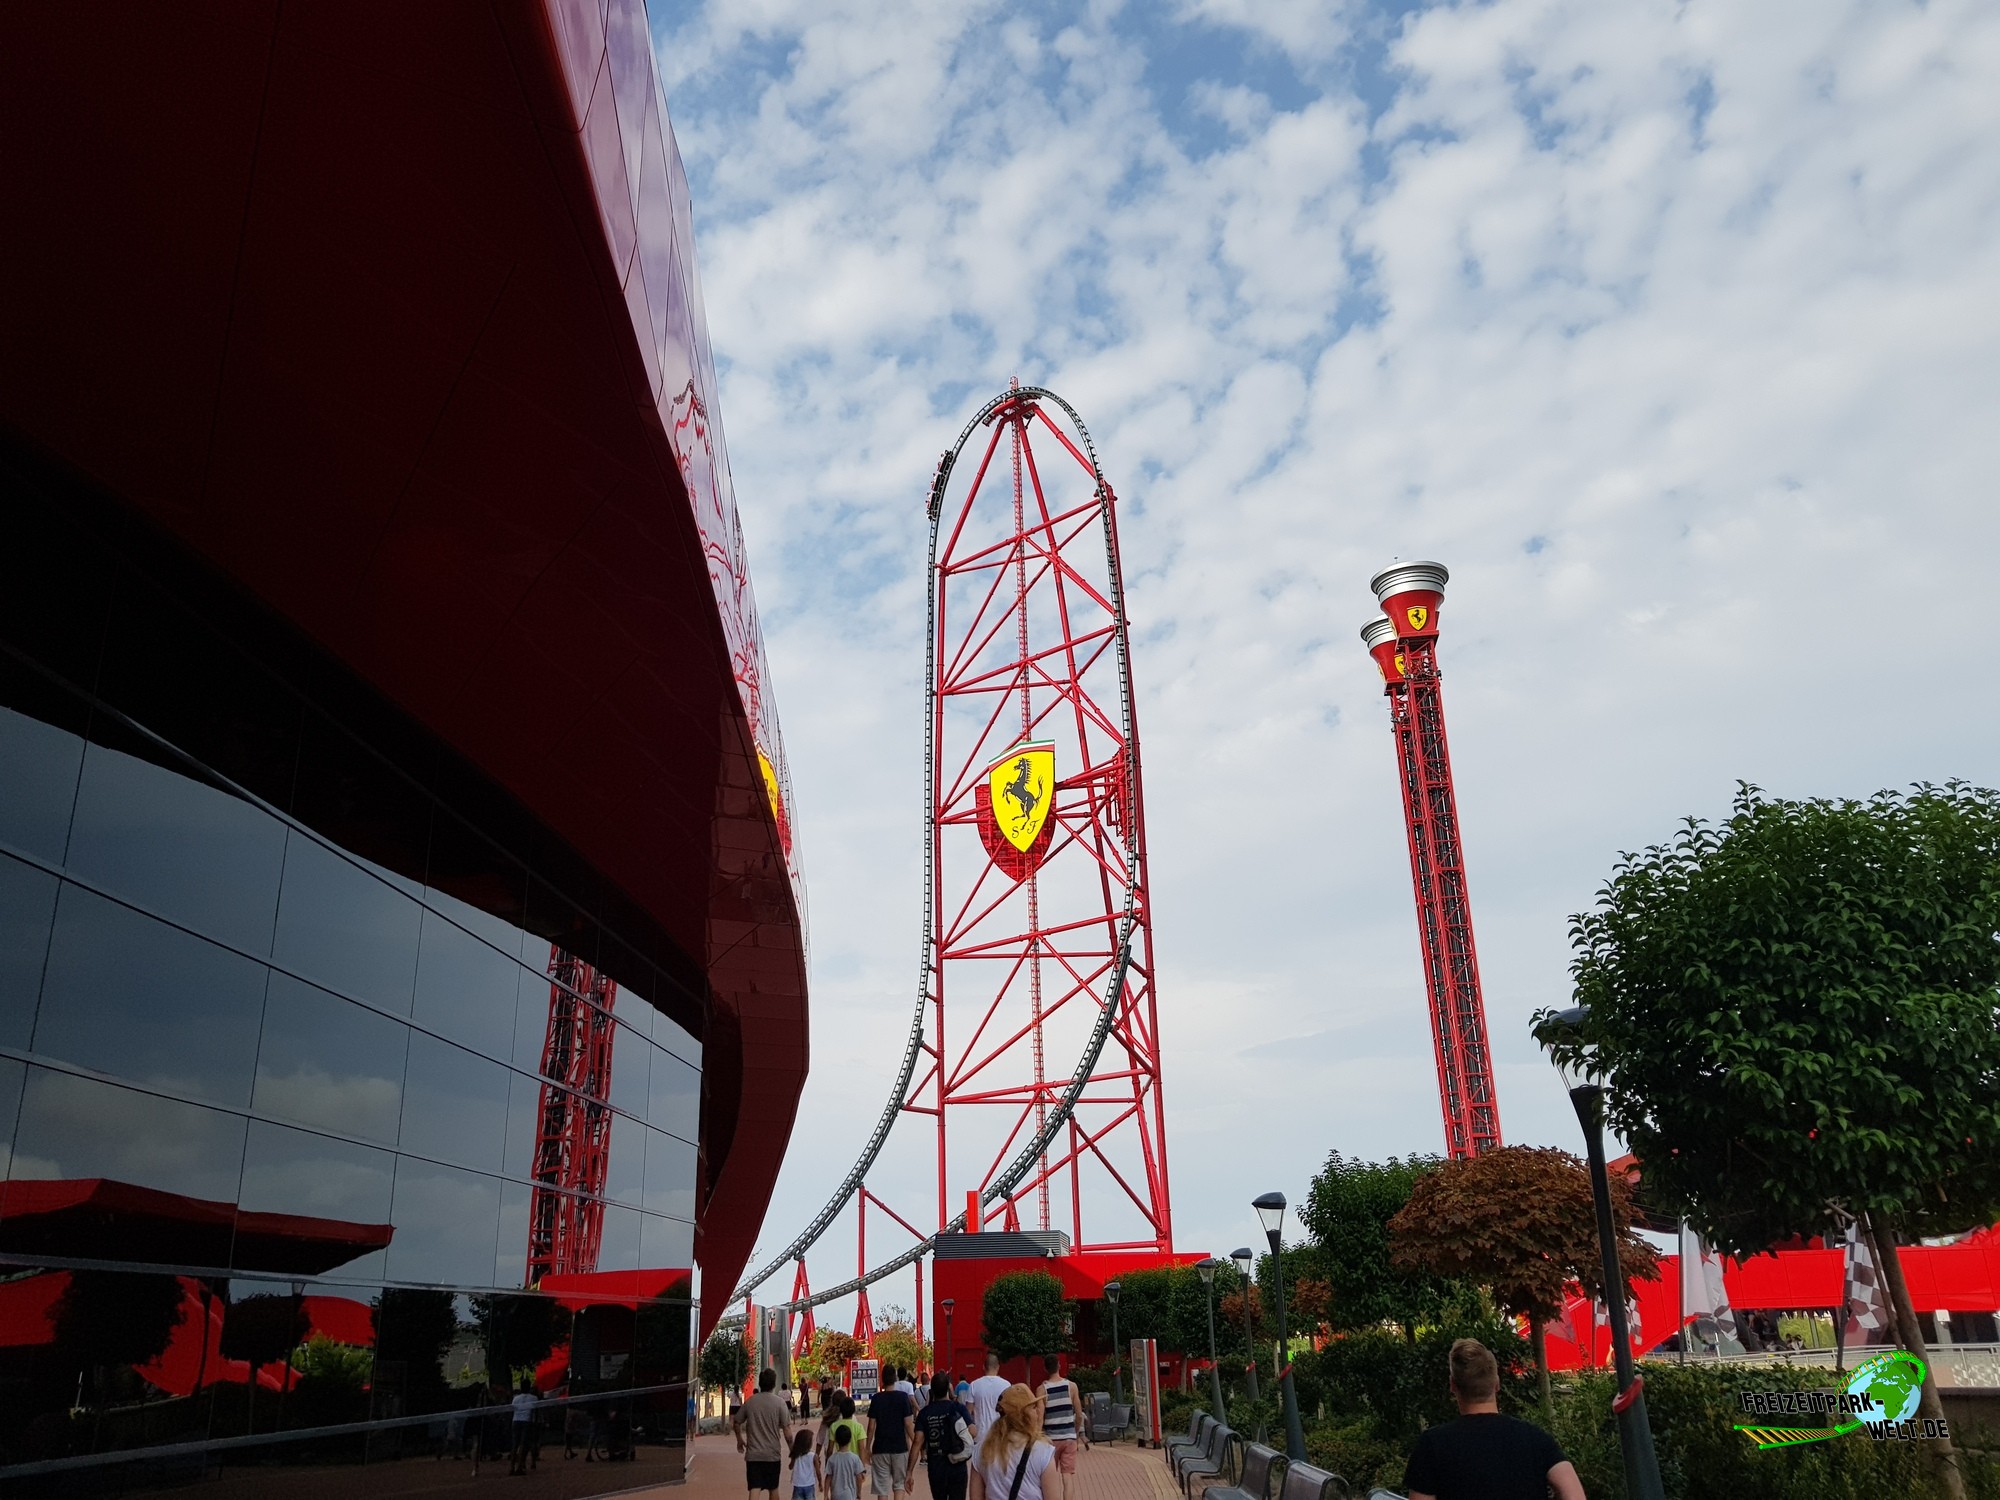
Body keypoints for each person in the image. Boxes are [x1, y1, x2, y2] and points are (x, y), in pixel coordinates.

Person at [1403, 1339, 1585, 1500]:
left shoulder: (1432, 1445)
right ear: (1496, 1384)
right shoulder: (1535, 1439)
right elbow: (1574, 1495)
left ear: (1452, 1386)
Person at [968, 1383, 1062, 1500]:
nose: (1037, 1411)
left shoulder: (982, 1451)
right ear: (1023, 1415)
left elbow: (975, 1497)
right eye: (1033, 1407)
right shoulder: (1043, 1452)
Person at [914, 1373, 976, 1500]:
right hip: (958, 1464)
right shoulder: (958, 1408)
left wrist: (909, 1472)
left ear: (931, 1390)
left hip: (936, 1466)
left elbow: (917, 1442)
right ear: (948, 1388)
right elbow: (973, 1431)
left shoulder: (925, 1413)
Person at [737, 1368, 795, 1500]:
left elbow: (736, 1422)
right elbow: (787, 1433)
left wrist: (739, 1439)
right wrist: (793, 1452)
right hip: (772, 1454)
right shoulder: (780, 1403)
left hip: (753, 1455)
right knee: (773, 1488)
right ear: (774, 1384)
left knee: (754, 1488)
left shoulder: (750, 1402)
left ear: (760, 1384)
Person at [867, 1366, 917, 1500]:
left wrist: (867, 1448)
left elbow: (871, 1427)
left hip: (880, 1448)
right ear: (895, 1378)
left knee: (882, 1487)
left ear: (881, 1379)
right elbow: (908, 1424)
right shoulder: (903, 1398)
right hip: (899, 1447)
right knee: (899, 1484)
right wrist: (916, 1442)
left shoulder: (876, 1399)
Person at [1034, 1356, 1079, 1478]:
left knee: (1051, 1475)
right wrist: (1076, 1431)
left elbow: (1040, 1417)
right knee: (1067, 1476)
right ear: (1059, 1365)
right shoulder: (1072, 1387)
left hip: (1051, 1439)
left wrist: (1037, 1437)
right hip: (1069, 1437)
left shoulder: (1042, 1390)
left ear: (1045, 1368)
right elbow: (1079, 1413)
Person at [965, 1352, 1010, 1443]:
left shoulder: (974, 1385)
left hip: (980, 1436)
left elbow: (968, 1412)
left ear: (983, 1367)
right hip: (1000, 1435)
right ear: (998, 1367)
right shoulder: (1007, 1385)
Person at [826, 1421, 866, 1500]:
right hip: (850, 1494)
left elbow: (828, 1478)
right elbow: (859, 1477)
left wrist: (825, 1494)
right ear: (850, 1440)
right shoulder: (855, 1458)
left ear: (836, 1440)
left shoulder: (832, 1459)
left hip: (835, 1495)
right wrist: (859, 1493)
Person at [507, 1378, 539, 1475]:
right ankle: (519, 1467)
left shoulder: (515, 1398)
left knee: (515, 1444)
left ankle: (512, 1467)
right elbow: (535, 1413)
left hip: (516, 1421)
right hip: (526, 1422)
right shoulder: (534, 1398)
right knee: (523, 1445)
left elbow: (513, 1410)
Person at [791, 1427, 821, 1500]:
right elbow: (818, 1472)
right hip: (809, 1484)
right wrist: (820, 1482)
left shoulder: (795, 1454)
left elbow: (790, 1466)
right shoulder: (813, 1455)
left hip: (797, 1484)